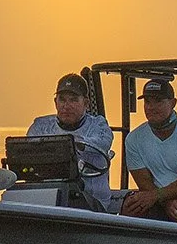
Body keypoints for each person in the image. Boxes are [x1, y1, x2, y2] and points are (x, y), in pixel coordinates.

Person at [120, 77, 177, 224]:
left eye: (158, 101)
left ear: (173, 103)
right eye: (147, 102)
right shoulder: (134, 138)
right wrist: (166, 203)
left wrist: (157, 196)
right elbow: (143, 182)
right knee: (131, 204)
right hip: (155, 195)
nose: (151, 107)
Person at [26, 74, 117, 210]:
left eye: (73, 100)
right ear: (55, 102)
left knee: (69, 197)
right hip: (47, 197)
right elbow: (27, 151)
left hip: (92, 202)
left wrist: (71, 143)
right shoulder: (40, 126)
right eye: (62, 100)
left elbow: (102, 144)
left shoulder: (99, 126)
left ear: (86, 103)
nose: (66, 106)